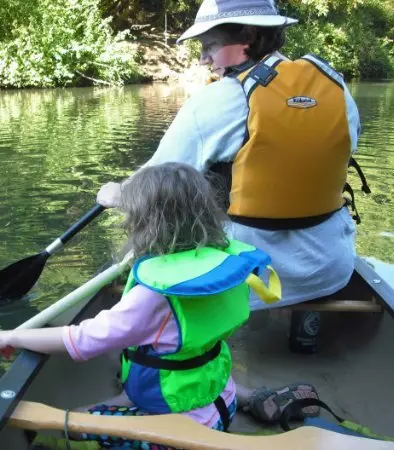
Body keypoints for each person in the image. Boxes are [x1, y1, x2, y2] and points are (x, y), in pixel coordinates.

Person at [0, 163, 318, 449]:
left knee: (67, 426)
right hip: (218, 402)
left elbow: (82, 339)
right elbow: (165, 202)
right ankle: (247, 398)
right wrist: (117, 195)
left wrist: (10, 336)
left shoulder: (153, 295)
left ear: (141, 223)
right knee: (160, 370)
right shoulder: (221, 259)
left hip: (182, 434)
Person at [97, 0, 365, 311]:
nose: (202, 59)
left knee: (170, 202)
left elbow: (153, 183)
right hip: (330, 271)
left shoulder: (218, 100)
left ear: (248, 37)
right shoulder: (333, 85)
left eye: (210, 45)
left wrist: (118, 192)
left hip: (248, 280)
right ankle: (307, 322)